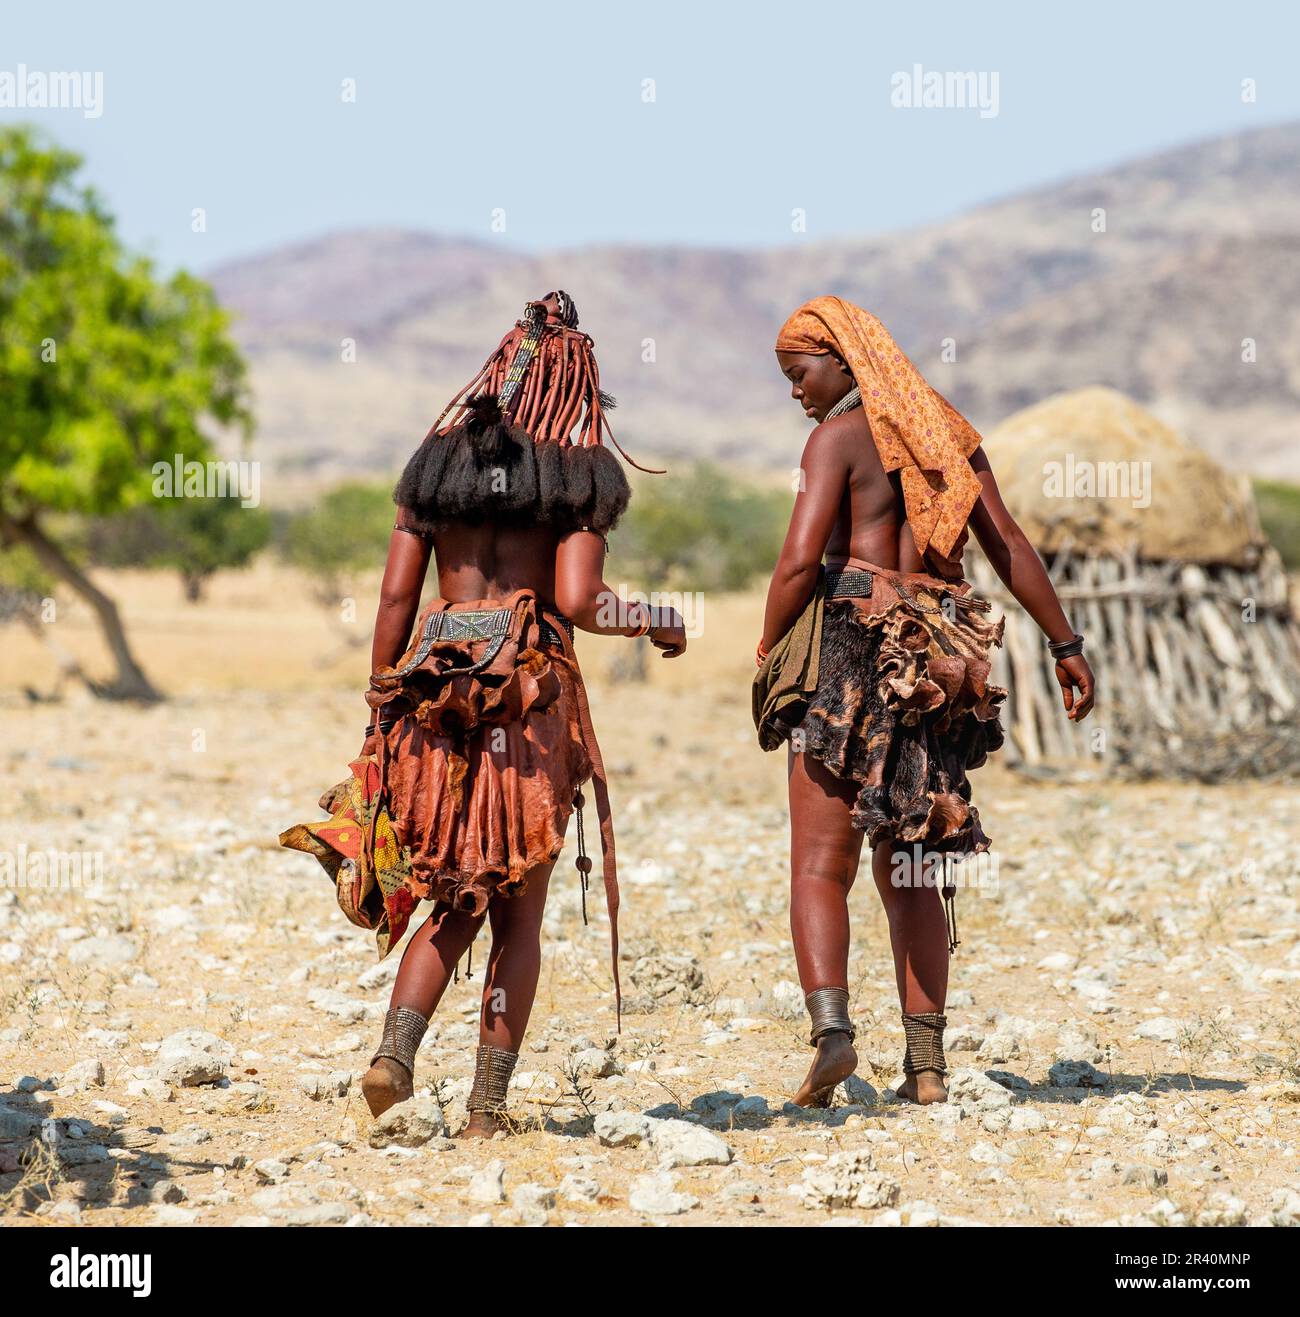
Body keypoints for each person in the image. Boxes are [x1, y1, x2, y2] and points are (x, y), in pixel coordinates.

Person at [282, 291, 685, 1137]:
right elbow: (579, 599)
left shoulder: (431, 469)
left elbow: (396, 595)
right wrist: (654, 619)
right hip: (528, 693)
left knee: (454, 893)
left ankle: (395, 1053)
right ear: (576, 387)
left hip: (432, 690)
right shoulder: (579, 477)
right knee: (518, 911)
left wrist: (380, 708)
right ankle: (484, 1112)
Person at [754, 295, 1094, 1106]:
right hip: (936, 661)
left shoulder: (834, 441)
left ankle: (834, 1035)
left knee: (817, 863)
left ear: (840, 358)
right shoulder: (948, 436)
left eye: (800, 373)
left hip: (847, 651)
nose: (796, 391)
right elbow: (1007, 545)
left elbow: (801, 563)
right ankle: (928, 1068)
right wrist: (1065, 644)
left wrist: (768, 648)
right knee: (914, 858)